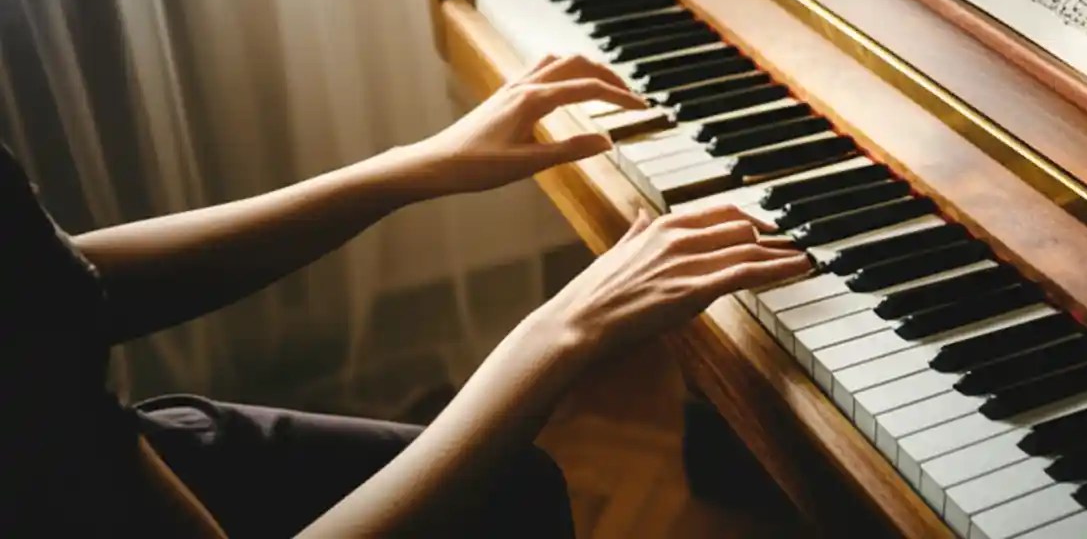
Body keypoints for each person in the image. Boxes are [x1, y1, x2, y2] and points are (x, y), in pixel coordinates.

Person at [3, 49, 812, 536]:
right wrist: (562, 333)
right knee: (508, 491)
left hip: (109, 441)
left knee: (512, 486)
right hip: (83, 483)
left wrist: (404, 169)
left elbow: (60, 281)